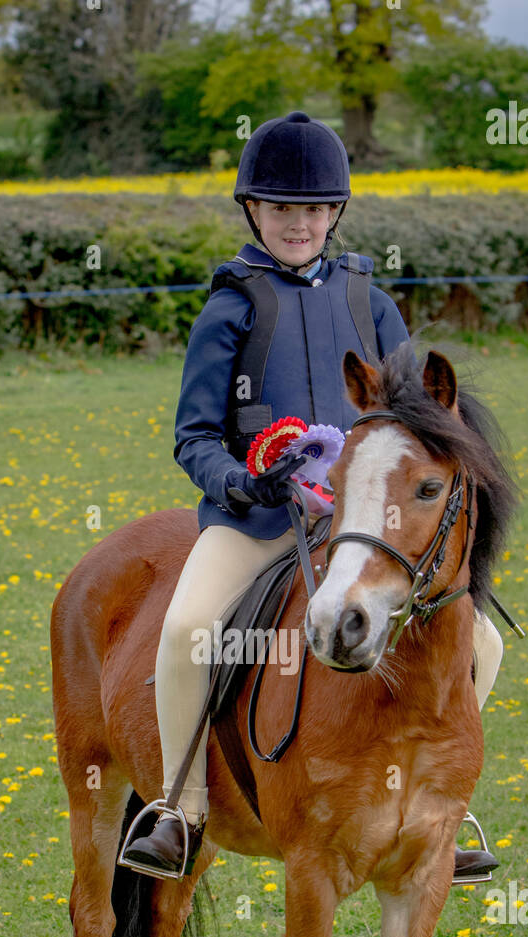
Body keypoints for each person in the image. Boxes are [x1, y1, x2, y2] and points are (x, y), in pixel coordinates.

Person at [124, 111, 503, 879]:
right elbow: (193, 436)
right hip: (257, 521)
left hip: (364, 533)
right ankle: (180, 809)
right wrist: (241, 480)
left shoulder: (369, 303)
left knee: (483, 641)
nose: (297, 224)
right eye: (280, 209)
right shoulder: (230, 308)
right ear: (252, 211)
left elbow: (415, 421)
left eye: (312, 210)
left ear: (334, 214)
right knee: (188, 628)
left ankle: (442, 804)